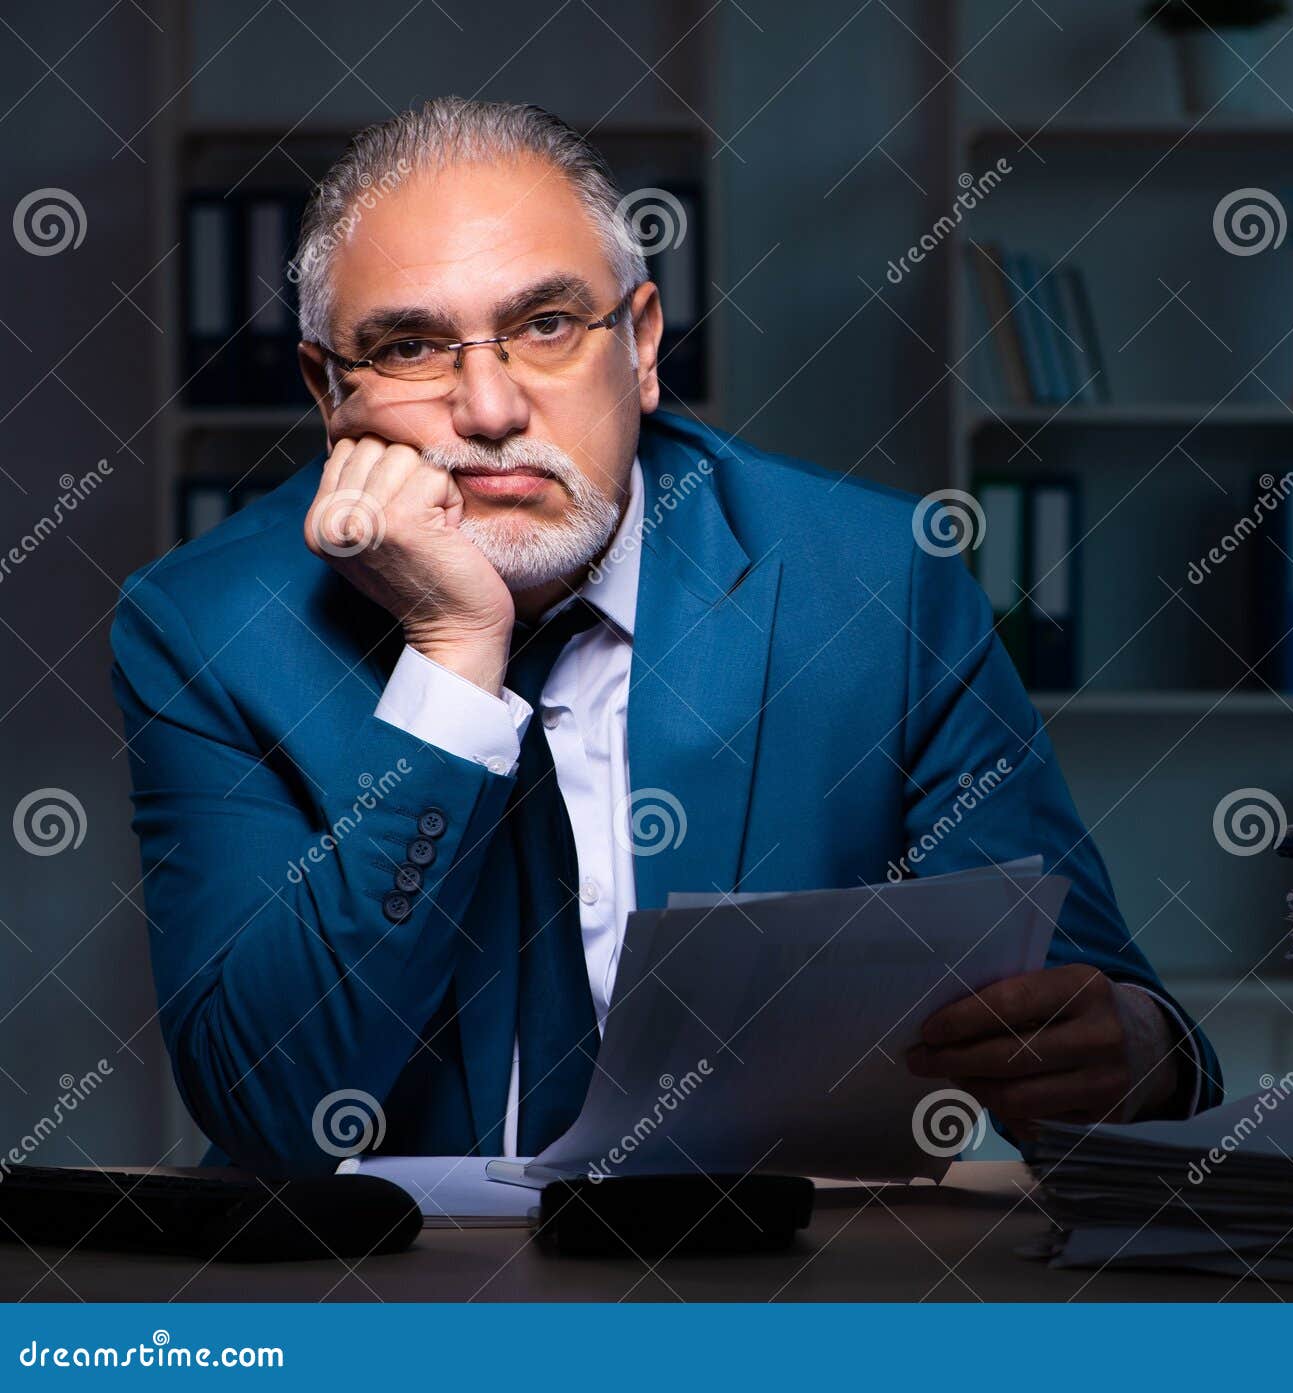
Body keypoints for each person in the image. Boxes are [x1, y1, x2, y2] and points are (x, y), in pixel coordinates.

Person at [111, 97, 1220, 1172]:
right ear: (328, 392)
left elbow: (1111, 1035)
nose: (490, 408)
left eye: (547, 326)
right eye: (411, 346)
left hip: (765, 1298)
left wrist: (1132, 1058)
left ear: (639, 345)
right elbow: (266, 1105)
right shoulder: (206, 630)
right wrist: (454, 659)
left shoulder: (877, 586)